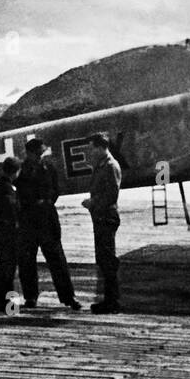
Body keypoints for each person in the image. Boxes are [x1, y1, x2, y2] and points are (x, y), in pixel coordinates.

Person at [15, 136, 81, 310]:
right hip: (29, 221)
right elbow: (19, 194)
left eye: (41, 153)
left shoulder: (49, 168)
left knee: (58, 260)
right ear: (29, 153)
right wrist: (34, 204)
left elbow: (56, 190)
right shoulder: (21, 171)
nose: (39, 156)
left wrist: (47, 202)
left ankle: (68, 297)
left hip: (47, 220)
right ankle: (30, 298)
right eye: (37, 153)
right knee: (27, 261)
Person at [83, 132, 122, 314]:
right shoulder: (102, 165)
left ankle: (112, 302)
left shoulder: (110, 166)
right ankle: (109, 300)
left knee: (108, 260)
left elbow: (112, 195)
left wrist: (93, 203)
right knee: (104, 259)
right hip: (101, 217)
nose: (90, 152)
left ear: (100, 147)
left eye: (92, 148)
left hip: (106, 216)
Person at [0, 156, 20, 314]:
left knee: (4, 269)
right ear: (16, 172)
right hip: (7, 234)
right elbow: (12, 211)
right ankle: (11, 306)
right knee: (9, 271)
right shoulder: (9, 189)